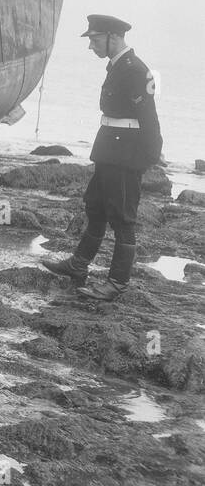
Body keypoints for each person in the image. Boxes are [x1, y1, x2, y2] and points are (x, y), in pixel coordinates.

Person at [42, 15, 162, 301]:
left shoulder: (135, 69)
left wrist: (150, 155)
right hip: (110, 150)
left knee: (123, 219)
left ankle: (117, 283)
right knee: (95, 208)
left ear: (113, 37)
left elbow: (149, 116)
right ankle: (78, 264)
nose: (91, 46)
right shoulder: (118, 66)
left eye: (95, 40)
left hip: (125, 155)